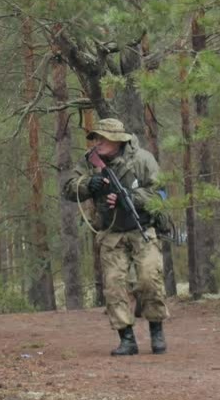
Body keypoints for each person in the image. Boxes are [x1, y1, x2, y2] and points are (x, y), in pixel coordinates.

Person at [63, 118, 169, 356]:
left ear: (117, 140)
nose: (97, 142)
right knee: (114, 286)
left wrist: (131, 198)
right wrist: (89, 184)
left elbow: (161, 194)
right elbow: (69, 188)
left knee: (149, 280)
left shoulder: (143, 160)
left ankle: (156, 331)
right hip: (111, 234)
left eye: (102, 138)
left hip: (142, 228)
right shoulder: (91, 161)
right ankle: (127, 338)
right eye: (96, 138)